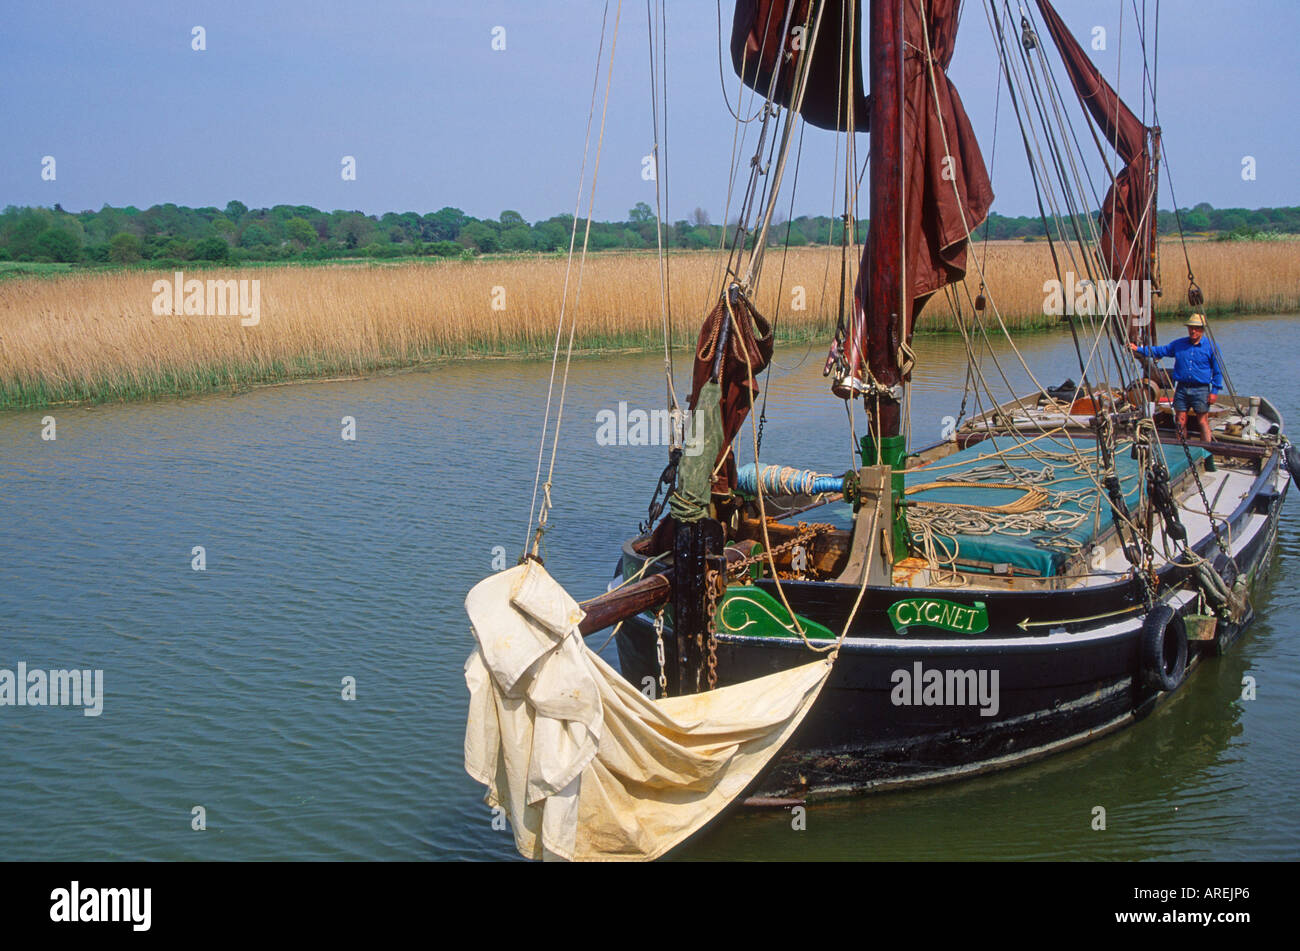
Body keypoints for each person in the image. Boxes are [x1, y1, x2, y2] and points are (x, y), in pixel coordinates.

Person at [1129, 313, 1223, 470]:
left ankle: (1207, 454)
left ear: (1202, 330)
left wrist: (1214, 391)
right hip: (1182, 388)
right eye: (1191, 328)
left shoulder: (1211, 347)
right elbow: (1160, 351)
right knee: (1180, 420)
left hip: (1201, 389)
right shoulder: (1179, 344)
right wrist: (1138, 349)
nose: (1193, 332)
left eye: (1196, 329)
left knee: (1202, 421)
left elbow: (1218, 371)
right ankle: (1182, 452)